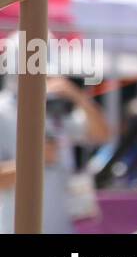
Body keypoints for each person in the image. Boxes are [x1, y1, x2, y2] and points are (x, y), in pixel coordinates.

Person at [0, 74, 111, 234]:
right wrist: (35, 159)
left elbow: (102, 135)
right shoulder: (3, 111)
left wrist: (77, 95)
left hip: (63, 228)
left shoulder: (55, 106)